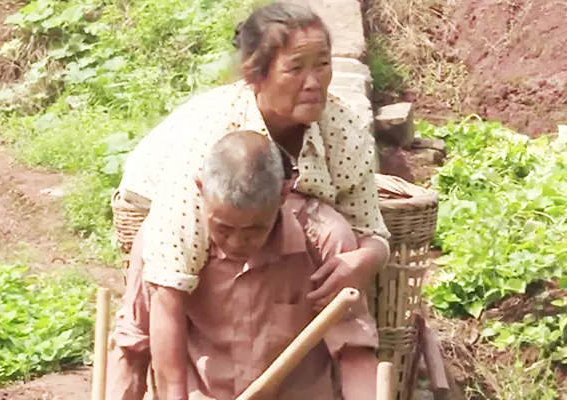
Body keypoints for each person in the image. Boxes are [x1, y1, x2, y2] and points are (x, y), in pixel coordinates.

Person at [114, 3, 391, 397]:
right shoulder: (206, 146)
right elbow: (170, 287)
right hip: (163, 198)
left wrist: (363, 259)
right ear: (256, 76)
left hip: (271, 206)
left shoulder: (342, 130)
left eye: (323, 64)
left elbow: (371, 231)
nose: (313, 82)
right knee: (150, 269)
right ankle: (129, 377)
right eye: (296, 69)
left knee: (334, 233)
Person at [107, 130, 380, 400]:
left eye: (253, 230)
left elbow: (354, 352)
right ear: (201, 189)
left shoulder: (325, 239)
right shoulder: (169, 239)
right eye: (223, 228)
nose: (236, 242)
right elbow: (132, 346)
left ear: (284, 193)